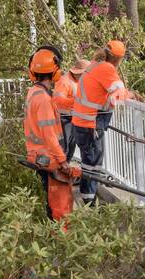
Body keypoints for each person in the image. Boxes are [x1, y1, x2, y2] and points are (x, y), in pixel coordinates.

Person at [70, 40, 131, 203]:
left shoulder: (94, 65)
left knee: (88, 162)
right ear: (119, 59)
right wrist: (131, 95)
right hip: (90, 125)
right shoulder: (107, 68)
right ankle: (89, 202)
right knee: (93, 165)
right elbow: (118, 92)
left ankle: (87, 196)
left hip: (80, 123)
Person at [23, 47, 80, 222]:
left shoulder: (33, 93)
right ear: (56, 72)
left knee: (51, 204)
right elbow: (50, 137)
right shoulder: (44, 100)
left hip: (38, 156)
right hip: (51, 160)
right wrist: (63, 162)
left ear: (33, 72)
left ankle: (52, 232)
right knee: (61, 208)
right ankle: (62, 241)